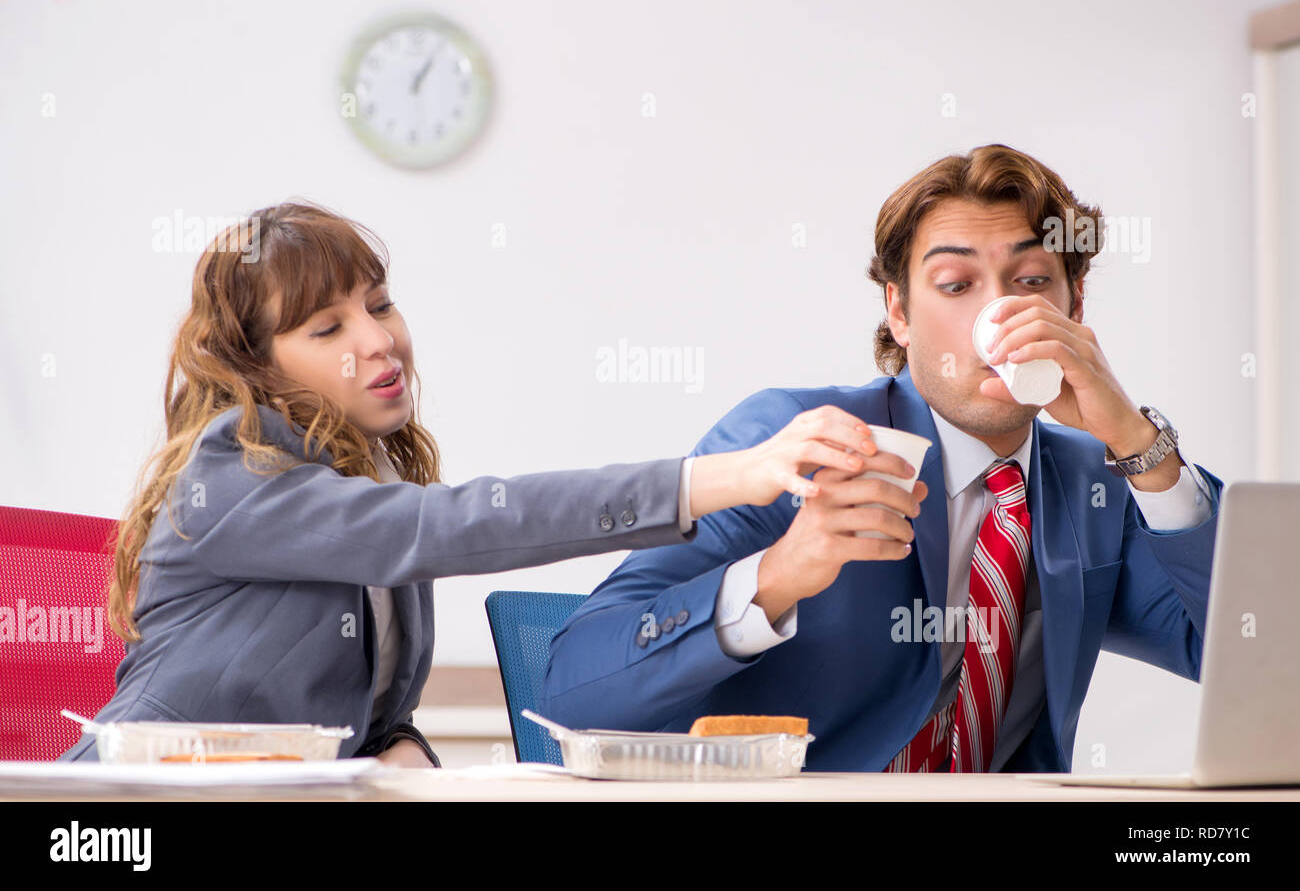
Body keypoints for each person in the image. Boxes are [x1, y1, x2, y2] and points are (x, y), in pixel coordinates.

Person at [58, 200, 882, 765]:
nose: (380, 340)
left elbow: (353, 708)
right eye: (328, 326)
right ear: (255, 367)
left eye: (380, 304)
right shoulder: (233, 470)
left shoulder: (361, 474)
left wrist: (400, 742)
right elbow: (460, 524)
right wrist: (725, 477)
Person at [540, 144, 1223, 774]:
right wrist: (777, 575)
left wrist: (1139, 443)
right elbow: (572, 688)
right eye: (957, 284)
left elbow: (1247, 649)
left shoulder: (1095, 482)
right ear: (898, 311)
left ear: (1074, 304)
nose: (1002, 312)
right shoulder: (795, 442)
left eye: (1033, 278)